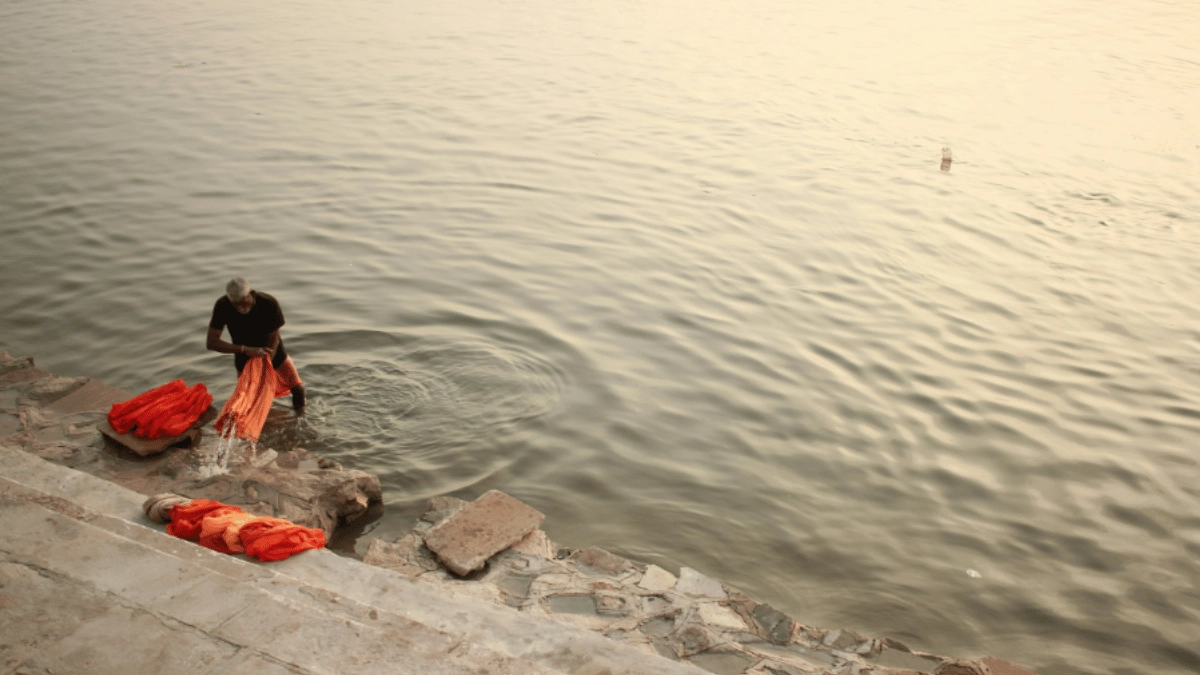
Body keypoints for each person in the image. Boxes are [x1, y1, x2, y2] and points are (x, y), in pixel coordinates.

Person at [206, 277, 306, 412]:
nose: (240, 308)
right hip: (244, 358)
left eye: (244, 302)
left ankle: (299, 418)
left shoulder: (269, 303)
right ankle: (256, 428)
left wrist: (267, 363)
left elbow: (274, 337)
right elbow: (212, 343)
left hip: (274, 353)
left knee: (297, 389)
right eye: (235, 305)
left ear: (252, 294)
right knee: (248, 400)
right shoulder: (222, 306)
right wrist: (245, 349)